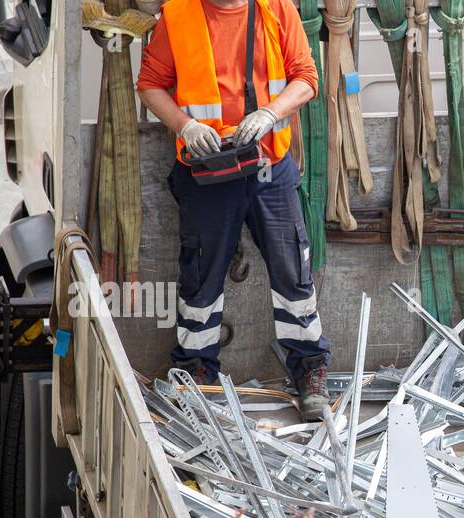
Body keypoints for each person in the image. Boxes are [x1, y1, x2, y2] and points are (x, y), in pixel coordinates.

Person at [136, 0, 330, 420]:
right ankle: (195, 375)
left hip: (268, 165)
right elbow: (150, 84)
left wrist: (270, 112)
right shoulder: (180, 15)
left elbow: (307, 79)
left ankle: (309, 371)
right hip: (206, 170)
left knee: (293, 271)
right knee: (201, 280)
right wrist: (185, 125)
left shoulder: (277, 8)